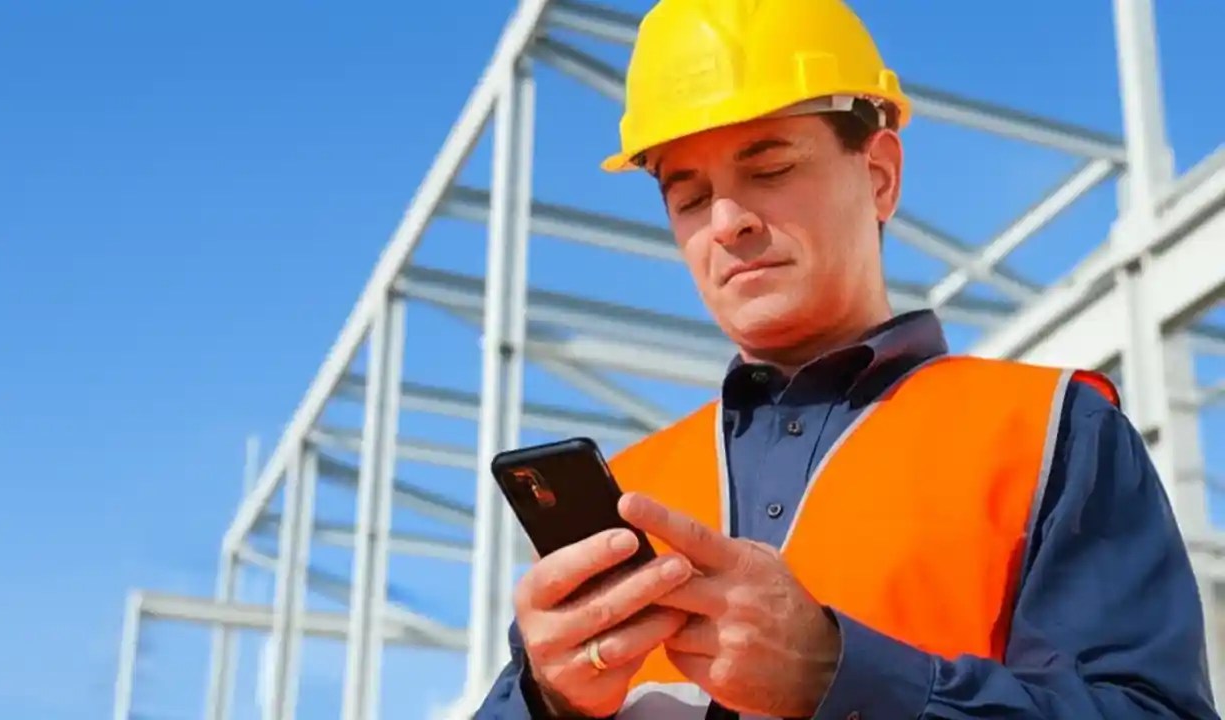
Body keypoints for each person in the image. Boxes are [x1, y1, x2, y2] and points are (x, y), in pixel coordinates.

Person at [474, 0, 1219, 717]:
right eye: (690, 197)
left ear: (880, 175)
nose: (727, 222)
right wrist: (546, 699)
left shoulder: (1047, 432)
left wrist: (840, 675)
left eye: (770, 170)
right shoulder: (628, 495)